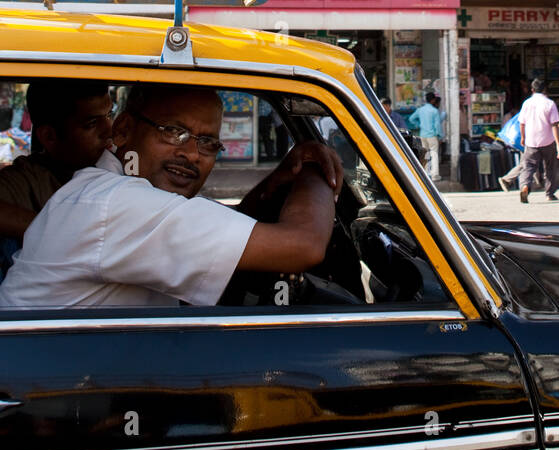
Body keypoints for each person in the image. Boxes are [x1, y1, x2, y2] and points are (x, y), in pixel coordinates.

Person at [0, 83, 342, 309]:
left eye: (208, 142)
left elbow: (229, 234)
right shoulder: (117, 205)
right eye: (175, 132)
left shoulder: (109, 192)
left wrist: (275, 181)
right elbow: (303, 246)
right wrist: (314, 165)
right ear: (122, 130)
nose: (193, 154)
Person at [0, 79, 115, 247]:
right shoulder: (27, 179)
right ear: (49, 136)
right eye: (91, 124)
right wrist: (59, 231)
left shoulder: (124, 162)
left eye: (109, 115)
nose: (109, 129)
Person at [518, 79, 559, 203]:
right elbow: (554, 125)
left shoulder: (527, 103)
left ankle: (525, 186)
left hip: (531, 141)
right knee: (550, 168)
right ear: (545, 90)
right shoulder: (550, 104)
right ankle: (549, 194)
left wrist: (523, 137)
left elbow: (522, 123)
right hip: (547, 141)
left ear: (532, 90)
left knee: (528, 167)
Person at [406, 92, 442, 182]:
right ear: (433, 100)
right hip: (432, 135)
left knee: (425, 154)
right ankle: (434, 175)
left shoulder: (420, 110)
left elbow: (411, 119)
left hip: (423, 135)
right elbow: (437, 125)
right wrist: (440, 135)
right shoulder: (434, 111)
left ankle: (426, 173)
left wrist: (419, 124)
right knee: (434, 154)